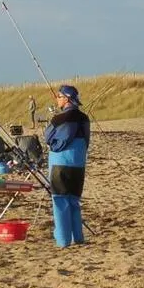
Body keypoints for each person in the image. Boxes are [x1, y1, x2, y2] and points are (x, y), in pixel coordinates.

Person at [44, 85, 90, 248]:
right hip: (79, 164)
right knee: (73, 201)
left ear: (66, 99)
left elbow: (48, 138)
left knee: (60, 201)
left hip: (60, 164)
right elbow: (86, 140)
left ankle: (63, 240)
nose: (57, 99)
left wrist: (54, 120)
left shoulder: (59, 119)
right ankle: (78, 238)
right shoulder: (84, 118)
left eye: (59, 96)